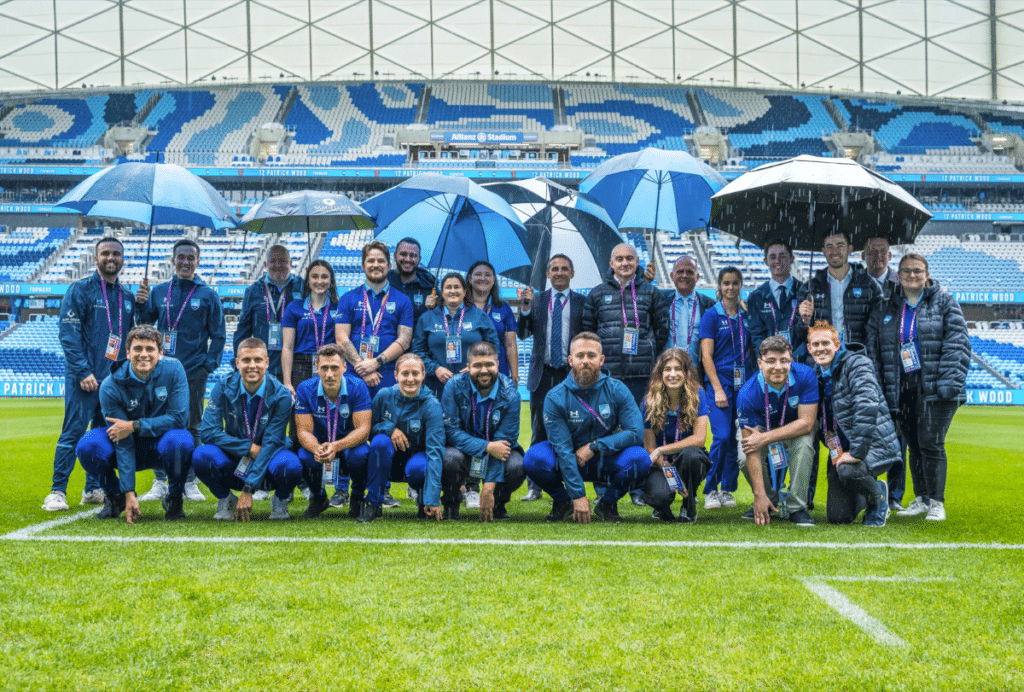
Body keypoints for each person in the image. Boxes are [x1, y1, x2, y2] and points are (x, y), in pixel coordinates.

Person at [866, 253, 970, 522]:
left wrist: (947, 385)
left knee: (931, 442)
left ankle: (937, 501)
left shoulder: (945, 303)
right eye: (906, 271)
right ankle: (922, 498)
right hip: (902, 387)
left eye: (917, 271)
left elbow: (957, 344)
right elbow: (876, 349)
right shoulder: (888, 307)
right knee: (913, 443)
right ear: (898, 276)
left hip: (936, 386)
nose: (912, 275)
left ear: (926, 275)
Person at [43, 236, 134, 512]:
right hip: (83, 380)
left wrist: (141, 303)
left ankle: (92, 487)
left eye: (116, 254)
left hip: (111, 383)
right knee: (72, 433)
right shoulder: (80, 289)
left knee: (102, 435)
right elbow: (68, 334)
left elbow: (127, 340)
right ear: (95, 258)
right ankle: (57, 491)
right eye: (105, 253)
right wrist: (83, 371)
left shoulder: (127, 297)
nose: (111, 258)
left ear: (122, 259)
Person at [523, 332, 650, 524]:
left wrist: (595, 446)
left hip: (605, 460)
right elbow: (563, 451)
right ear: (570, 360)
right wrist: (578, 496)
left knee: (640, 458)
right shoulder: (555, 397)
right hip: (568, 460)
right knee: (533, 458)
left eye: (591, 356)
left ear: (601, 360)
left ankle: (608, 503)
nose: (585, 361)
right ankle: (562, 502)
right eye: (580, 355)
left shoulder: (618, 389)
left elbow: (636, 433)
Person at [134, 238, 223, 503]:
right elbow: (145, 326)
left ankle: (190, 480)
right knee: (158, 424)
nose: (185, 262)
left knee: (193, 425)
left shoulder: (207, 294)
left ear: (198, 261)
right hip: (160, 371)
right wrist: (140, 305)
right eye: (181, 257)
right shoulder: (159, 291)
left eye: (190, 258)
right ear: (173, 260)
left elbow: (218, 335)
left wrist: (209, 365)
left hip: (194, 371)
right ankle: (161, 481)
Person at [76, 325, 194, 522]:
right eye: (138, 349)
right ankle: (116, 497)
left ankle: (174, 497)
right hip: (126, 445)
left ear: (160, 353)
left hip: (162, 445)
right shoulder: (110, 386)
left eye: (150, 349)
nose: (144, 354)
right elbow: (122, 439)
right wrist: (129, 491)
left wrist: (134, 425)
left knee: (181, 439)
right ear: (128, 352)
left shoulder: (174, 370)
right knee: (88, 444)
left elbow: (178, 419)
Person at [335, 241, 414, 510]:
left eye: (381, 261)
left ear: (389, 265)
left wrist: (376, 362)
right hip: (355, 377)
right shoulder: (349, 298)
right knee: (349, 428)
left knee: (385, 431)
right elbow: (341, 336)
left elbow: (404, 340)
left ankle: (383, 488)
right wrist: (360, 365)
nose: (376, 265)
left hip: (389, 377)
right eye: (371, 261)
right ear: (363, 264)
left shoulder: (401, 300)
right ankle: (343, 488)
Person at [192, 338, 300, 522]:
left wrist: (249, 488)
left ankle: (280, 498)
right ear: (237, 363)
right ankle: (226, 498)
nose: (252, 365)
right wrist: (248, 448)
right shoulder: (223, 387)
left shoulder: (281, 394)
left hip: (269, 458)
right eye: (246, 360)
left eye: (258, 360)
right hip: (236, 459)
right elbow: (208, 432)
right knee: (202, 455)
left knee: (291, 465)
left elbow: (272, 442)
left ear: (267, 362)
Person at [808, 322, 899, 527]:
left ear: (837, 345)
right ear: (809, 348)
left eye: (826, 343)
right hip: (841, 448)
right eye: (815, 344)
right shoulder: (816, 375)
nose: (820, 348)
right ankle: (865, 490)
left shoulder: (858, 364)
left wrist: (856, 453)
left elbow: (866, 407)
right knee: (838, 517)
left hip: (871, 445)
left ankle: (878, 498)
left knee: (849, 471)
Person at [517, 254, 585, 501]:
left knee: (575, 427)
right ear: (547, 273)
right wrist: (524, 309)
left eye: (564, 268)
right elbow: (523, 335)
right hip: (542, 374)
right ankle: (535, 485)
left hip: (572, 375)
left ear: (572, 273)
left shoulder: (582, 302)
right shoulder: (536, 300)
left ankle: (574, 479)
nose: (559, 272)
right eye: (554, 269)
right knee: (539, 429)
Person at [736, 336, 819, 527]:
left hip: (794, 427)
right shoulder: (747, 394)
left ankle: (796, 507)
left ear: (792, 361)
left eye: (784, 361)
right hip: (761, 427)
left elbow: (806, 423)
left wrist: (765, 438)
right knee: (743, 454)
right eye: (771, 361)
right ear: (759, 363)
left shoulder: (805, 376)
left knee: (805, 443)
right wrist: (758, 495)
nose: (778, 367)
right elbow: (751, 446)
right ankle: (768, 499)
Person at [440, 342, 526, 521]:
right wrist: (486, 446)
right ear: (468, 367)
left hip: (497, 451)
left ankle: (498, 503)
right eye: (477, 365)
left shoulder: (511, 394)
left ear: (498, 365)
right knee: (449, 458)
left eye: (489, 365)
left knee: (517, 465)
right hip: (463, 450)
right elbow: (451, 432)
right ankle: (451, 501)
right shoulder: (453, 386)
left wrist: (488, 488)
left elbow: (504, 442)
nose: (484, 370)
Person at [293, 344, 374, 521]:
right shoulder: (305, 389)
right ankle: (318, 497)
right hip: (320, 445)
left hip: (349, 445)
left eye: (335, 368)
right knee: (304, 455)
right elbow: (303, 431)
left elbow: (363, 430)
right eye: (324, 368)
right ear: (316, 367)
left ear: (344, 367)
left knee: (361, 454)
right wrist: (316, 449)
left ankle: (357, 497)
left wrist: (336, 446)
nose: (329, 374)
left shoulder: (358, 386)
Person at [582, 243, 670, 405]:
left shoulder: (651, 293)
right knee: (609, 425)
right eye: (619, 259)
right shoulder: (597, 293)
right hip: (607, 373)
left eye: (629, 259)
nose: (625, 263)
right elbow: (588, 333)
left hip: (641, 375)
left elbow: (662, 329)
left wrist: (646, 350)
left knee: (640, 424)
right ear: (611, 263)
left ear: (637, 262)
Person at [699, 266, 754, 511]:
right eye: (726, 283)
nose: (731, 288)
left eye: (735, 283)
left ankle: (727, 489)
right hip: (720, 384)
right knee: (721, 437)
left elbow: (752, 351)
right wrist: (718, 389)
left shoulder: (746, 314)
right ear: (719, 287)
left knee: (736, 441)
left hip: (744, 385)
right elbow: (706, 357)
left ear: (741, 285)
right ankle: (710, 488)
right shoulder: (712, 315)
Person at [367, 354, 447, 520]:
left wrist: (433, 498)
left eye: (415, 374)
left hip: (417, 458)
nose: (410, 379)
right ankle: (373, 505)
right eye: (405, 374)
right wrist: (390, 429)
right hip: (389, 459)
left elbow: (435, 450)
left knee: (419, 468)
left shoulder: (432, 405)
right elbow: (368, 430)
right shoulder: (383, 395)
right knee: (379, 442)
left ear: (423, 375)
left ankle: (424, 499)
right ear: (396, 375)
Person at [862, 235, 907, 511]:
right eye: (872, 252)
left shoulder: (901, 285)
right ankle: (873, 492)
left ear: (890, 256)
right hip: (868, 363)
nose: (877, 256)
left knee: (897, 435)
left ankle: (895, 496)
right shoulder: (858, 283)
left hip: (895, 369)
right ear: (863, 256)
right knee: (871, 433)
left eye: (882, 252)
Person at [640, 349, 710, 524]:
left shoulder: (698, 395)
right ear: (660, 373)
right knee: (660, 496)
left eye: (678, 369)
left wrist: (662, 449)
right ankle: (661, 506)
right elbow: (650, 447)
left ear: (686, 373)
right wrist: (666, 466)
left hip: (686, 460)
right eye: (667, 369)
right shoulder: (649, 401)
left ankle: (688, 505)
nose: (673, 374)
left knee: (691, 455)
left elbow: (699, 439)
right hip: (660, 463)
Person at [412, 272, 499, 399]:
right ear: (442, 293)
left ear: (464, 292)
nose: (452, 291)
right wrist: (435, 369)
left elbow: (493, 347)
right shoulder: (427, 318)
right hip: (437, 386)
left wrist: (477, 366)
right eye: (448, 287)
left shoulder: (479, 316)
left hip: (473, 383)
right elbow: (417, 351)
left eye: (457, 287)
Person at [233, 244, 304, 381]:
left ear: (291, 263)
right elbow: (243, 331)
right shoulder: (253, 291)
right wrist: (239, 363)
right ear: (265, 264)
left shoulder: (302, 287)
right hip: (263, 367)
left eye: (283, 261)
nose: (278, 265)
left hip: (297, 367)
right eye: (273, 261)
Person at [799, 231, 881, 348]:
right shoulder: (809, 288)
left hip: (857, 356)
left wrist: (868, 356)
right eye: (829, 247)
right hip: (823, 357)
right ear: (823, 251)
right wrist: (805, 322)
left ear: (850, 249)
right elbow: (800, 335)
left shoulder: (869, 284)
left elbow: (879, 328)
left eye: (840, 246)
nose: (834, 251)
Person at [281, 260, 339, 397]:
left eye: (324, 276)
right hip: (302, 365)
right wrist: (287, 382)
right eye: (314, 276)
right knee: (301, 411)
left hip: (331, 363)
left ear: (331, 281)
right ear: (308, 281)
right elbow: (287, 347)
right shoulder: (294, 307)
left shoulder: (339, 306)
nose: (319, 281)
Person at [747, 240, 807, 357]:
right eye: (773, 257)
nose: (777, 261)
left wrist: (794, 358)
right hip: (769, 365)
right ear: (766, 261)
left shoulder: (806, 292)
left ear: (792, 259)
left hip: (799, 364)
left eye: (783, 256)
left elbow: (809, 334)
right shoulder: (756, 297)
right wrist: (770, 360)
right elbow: (757, 336)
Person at [662, 256, 715, 378]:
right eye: (680, 271)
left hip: (695, 375)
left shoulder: (709, 305)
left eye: (690, 272)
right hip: (666, 375)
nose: (684, 275)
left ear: (697, 277)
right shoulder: (661, 300)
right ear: (672, 276)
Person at [387, 237, 437, 325]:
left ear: (419, 259)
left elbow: (439, 319)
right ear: (395, 256)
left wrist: (434, 309)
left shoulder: (430, 286)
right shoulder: (384, 282)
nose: (408, 259)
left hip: (419, 338)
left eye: (413, 256)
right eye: (403, 254)